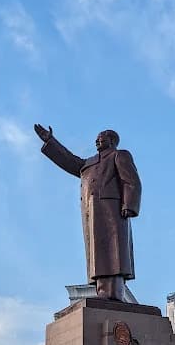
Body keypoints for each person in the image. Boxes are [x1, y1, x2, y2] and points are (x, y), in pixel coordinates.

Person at [35, 124, 142, 302]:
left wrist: (128, 205)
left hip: (112, 210)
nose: (97, 140)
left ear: (112, 140)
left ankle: (114, 293)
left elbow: (132, 181)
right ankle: (102, 291)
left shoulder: (119, 155)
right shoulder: (89, 163)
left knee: (113, 250)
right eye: (96, 138)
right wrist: (51, 142)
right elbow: (70, 161)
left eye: (101, 137)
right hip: (92, 212)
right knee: (97, 253)